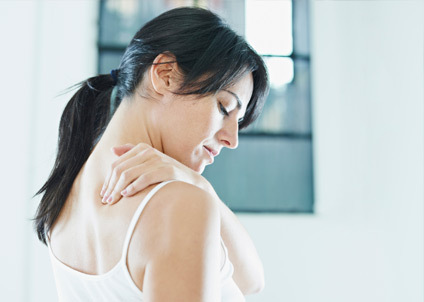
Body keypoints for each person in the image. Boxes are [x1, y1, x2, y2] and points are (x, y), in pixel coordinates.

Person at [34, 6, 269, 302]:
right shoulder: (179, 204)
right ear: (165, 74)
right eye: (224, 107)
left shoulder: (65, 197)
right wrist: (196, 195)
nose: (232, 139)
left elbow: (251, 280)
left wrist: (201, 186)